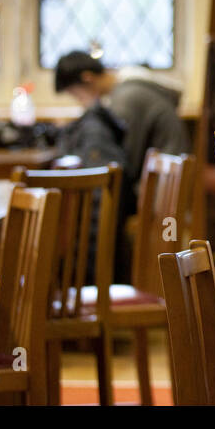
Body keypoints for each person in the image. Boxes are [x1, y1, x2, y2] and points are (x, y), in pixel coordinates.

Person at [54, 51, 191, 281]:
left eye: (76, 95)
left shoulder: (127, 98)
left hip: (157, 198)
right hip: (158, 188)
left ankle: (91, 283)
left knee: (85, 206)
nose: (80, 101)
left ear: (87, 79)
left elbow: (124, 166)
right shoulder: (130, 90)